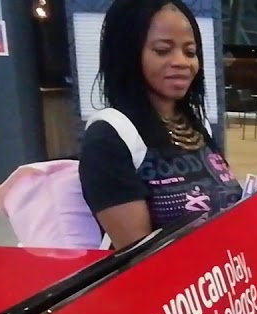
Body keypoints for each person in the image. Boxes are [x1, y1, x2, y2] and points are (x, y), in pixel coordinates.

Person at [79, 0, 243, 250]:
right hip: (164, 286)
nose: (182, 62)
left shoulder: (198, 127)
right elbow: (140, 256)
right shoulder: (109, 137)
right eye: (163, 50)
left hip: (219, 280)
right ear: (128, 54)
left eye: (190, 52)